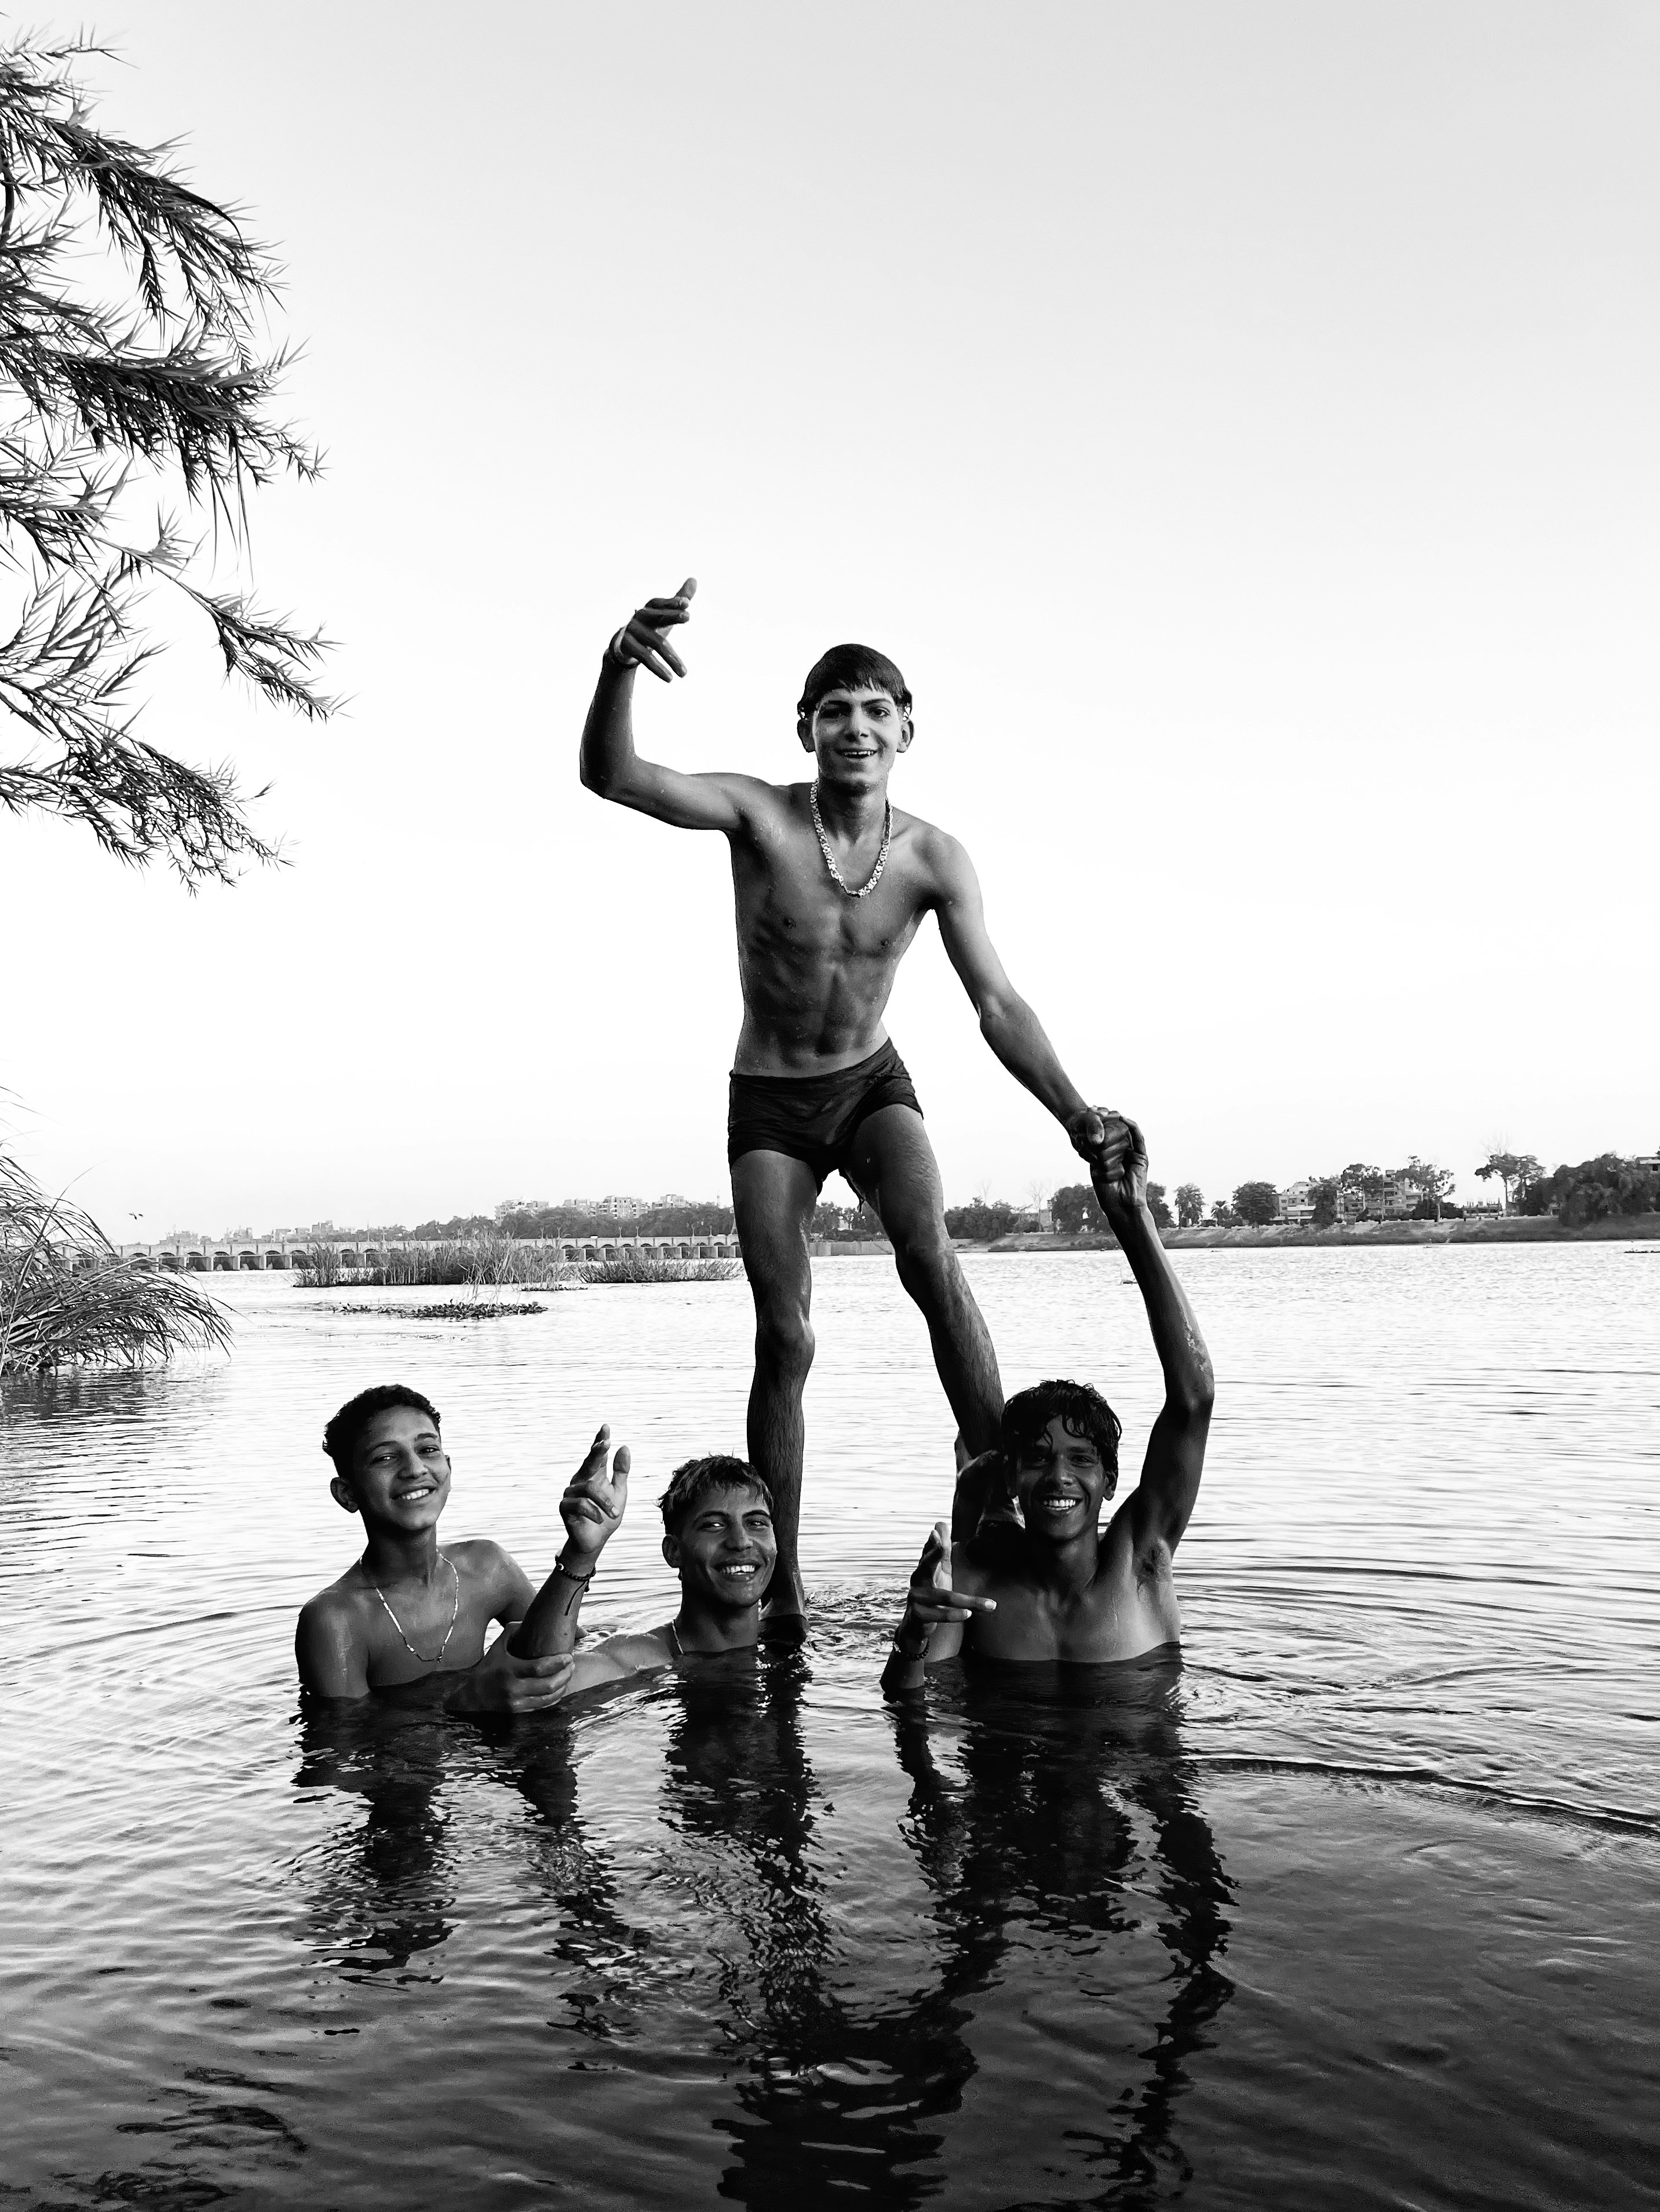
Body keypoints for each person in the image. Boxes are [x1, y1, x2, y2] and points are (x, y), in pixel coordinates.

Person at [581, 578, 1118, 1630]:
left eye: (877, 710)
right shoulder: (760, 814)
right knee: (786, 1335)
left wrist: (1076, 1113)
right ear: (807, 730)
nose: (857, 727)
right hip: (772, 1101)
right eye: (836, 711)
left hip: (872, 1082)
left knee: (931, 1252)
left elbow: (997, 1001)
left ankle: (993, 1484)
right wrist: (616, 666)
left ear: (907, 728)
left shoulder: (932, 855)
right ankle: (775, 1581)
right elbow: (615, 777)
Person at [881, 1119, 1214, 1692]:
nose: (1059, 1475)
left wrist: (1133, 1218)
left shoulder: (1141, 1557)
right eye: (1037, 1457)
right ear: (1015, 1473)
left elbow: (1194, 1396)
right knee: (984, 1523)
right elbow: (913, 1706)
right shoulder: (975, 1575)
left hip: (1128, 1772)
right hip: (1012, 1757)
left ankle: (977, 1481)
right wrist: (911, 1632)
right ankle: (979, 1482)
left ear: (1110, 1480)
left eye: (1081, 1459)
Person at [295, 1383, 629, 1711]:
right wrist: (465, 1701)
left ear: (449, 1469)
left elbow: (559, 1652)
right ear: (347, 1494)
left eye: (427, 1450)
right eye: (385, 1457)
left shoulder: (486, 1567)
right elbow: (340, 1752)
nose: (414, 1469)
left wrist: (581, 1552)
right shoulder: (337, 1620)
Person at [508, 1446, 779, 1693]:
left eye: (757, 1523)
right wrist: (581, 1555)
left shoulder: (799, 1635)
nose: (741, 1541)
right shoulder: (641, 1659)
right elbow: (542, 1682)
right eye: (714, 1525)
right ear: (674, 1552)